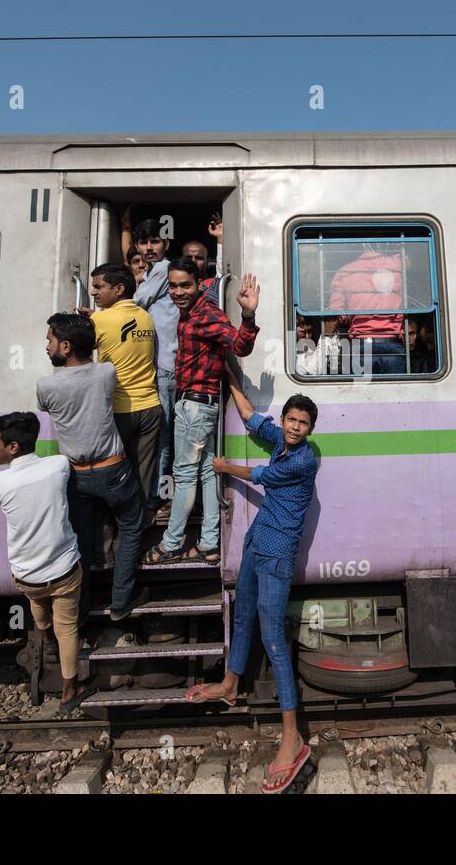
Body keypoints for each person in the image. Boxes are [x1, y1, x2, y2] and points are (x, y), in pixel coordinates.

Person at [188, 368, 319, 794]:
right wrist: (228, 379)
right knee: (242, 617)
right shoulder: (281, 440)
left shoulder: (303, 459)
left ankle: (293, 740)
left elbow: (259, 477)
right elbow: (250, 419)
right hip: (256, 542)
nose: (295, 428)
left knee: (275, 640)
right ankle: (229, 684)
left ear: (311, 428)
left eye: (303, 424)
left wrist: (223, 466)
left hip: (278, 554)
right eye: (291, 421)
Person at [145, 261, 259, 565]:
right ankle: (209, 543)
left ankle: (171, 543)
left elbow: (239, 345)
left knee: (184, 476)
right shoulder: (188, 314)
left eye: (186, 285)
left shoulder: (207, 314)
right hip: (198, 404)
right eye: (173, 286)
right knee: (208, 473)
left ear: (199, 285)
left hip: (196, 406)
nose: (178, 292)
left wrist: (248, 314)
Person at [35, 313, 147, 619]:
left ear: (67, 346)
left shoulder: (46, 386)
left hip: (77, 476)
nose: (47, 346)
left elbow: (47, 408)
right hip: (114, 471)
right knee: (132, 527)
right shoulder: (105, 373)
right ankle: (121, 601)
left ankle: (80, 610)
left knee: (80, 542)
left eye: (50, 340)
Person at [0, 412, 88, 709]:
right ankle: (70, 691)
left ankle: (46, 636)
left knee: (39, 611)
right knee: (67, 626)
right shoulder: (57, 467)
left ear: (13, 447)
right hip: (64, 570)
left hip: (27, 575)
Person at [89, 263, 163, 511]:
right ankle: (135, 540)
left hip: (121, 410)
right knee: (141, 478)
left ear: (118, 288)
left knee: (112, 480)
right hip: (151, 407)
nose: (93, 292)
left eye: (99, 286)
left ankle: (112, 543)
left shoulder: (99, 319)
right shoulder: (145, 316)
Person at [131, 217, 180, 509]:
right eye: (143, 242)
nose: (149, 248)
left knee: (161, 435)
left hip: (164, 366)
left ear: (166, 244)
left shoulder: (163, 270)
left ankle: (155, 497)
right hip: (159, 366)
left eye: (155, 242)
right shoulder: (152, 273)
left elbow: (137, 305)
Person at [327, 245, 407, 374]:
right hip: (392, 341)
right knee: (396, 391)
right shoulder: (396, 265)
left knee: (362, 392)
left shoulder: (344, 272)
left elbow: (338, 313)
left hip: (361, 344)